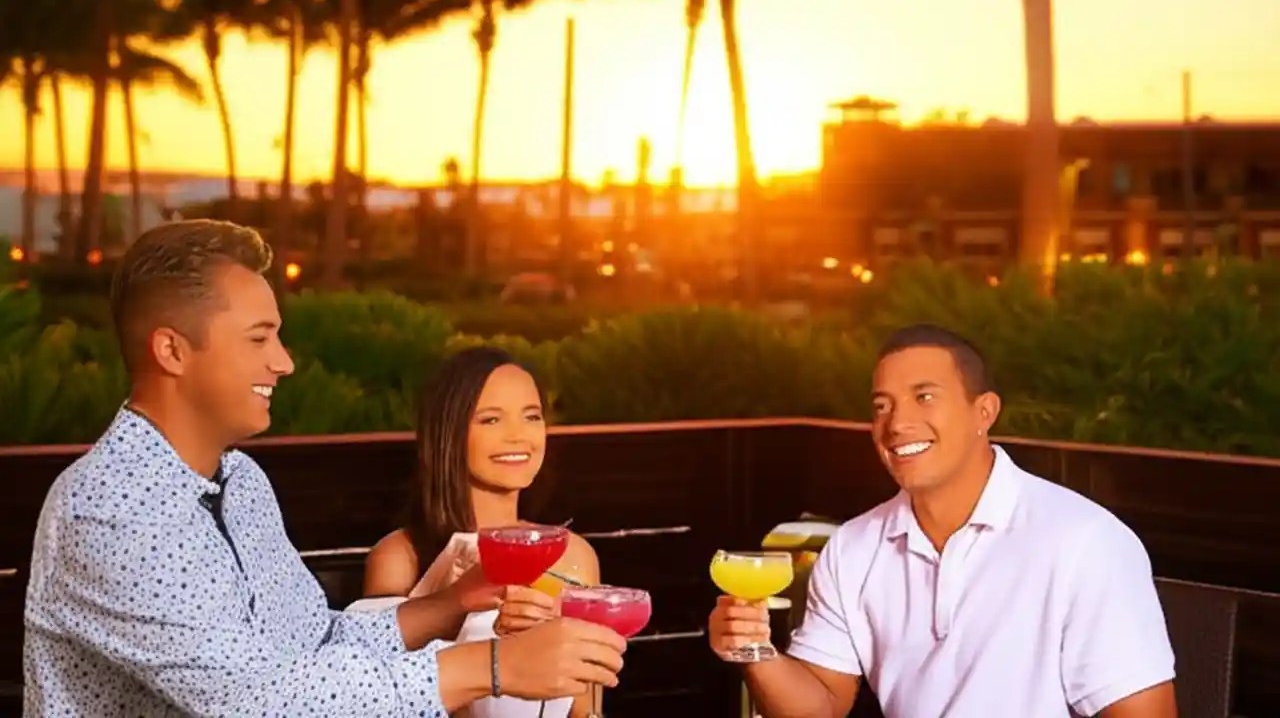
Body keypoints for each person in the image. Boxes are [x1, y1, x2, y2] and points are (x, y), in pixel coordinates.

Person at [23, 219, 626, 716]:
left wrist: (453, 604)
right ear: (172, 350)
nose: (282, 363)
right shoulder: (109, 509)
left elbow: (311, 645)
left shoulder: (241, 485)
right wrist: (491, 667)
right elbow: (255, 701)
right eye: (259, 339)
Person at [708, 323, 1178, 717]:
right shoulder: (855, 547)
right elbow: (822, 707)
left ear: (984, 412)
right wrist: (753, 650)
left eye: (924, 397)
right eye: (882, 406)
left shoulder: (1083, 541)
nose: (896, 423)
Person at [363, 346, 600, 718]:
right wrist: (451, 610)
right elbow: (380, 697)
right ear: (449, 433)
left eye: (532, 416)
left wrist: (561, 644)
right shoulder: (400, 556)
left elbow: (586, 710)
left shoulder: (574, 555)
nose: (518, 436)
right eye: (491, 420)